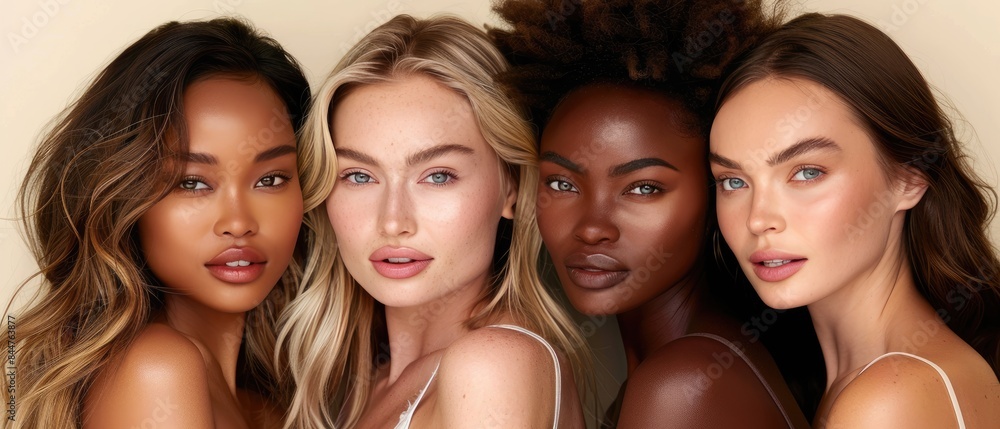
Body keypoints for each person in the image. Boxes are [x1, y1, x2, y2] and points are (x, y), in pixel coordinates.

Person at [490, 0, 819, 427]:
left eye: (643, 188)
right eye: (562, 184)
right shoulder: (688, 365)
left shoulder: (682, 385)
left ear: (715, 193)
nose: (592, 228)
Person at [276, 14, 590, 429]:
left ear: (511, 188)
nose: (393, 221)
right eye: (359, 176)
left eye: (438, 176)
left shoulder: (492, 366)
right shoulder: (359, 387)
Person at [4, 18, 311, 428]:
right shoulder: (161, 371)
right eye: (192, 183)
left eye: (270, 179)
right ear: (128, 200)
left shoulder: (268, 397)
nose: (238, 223)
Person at [710, 12, 1000, 429]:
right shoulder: (868, 381)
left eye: (807, 172)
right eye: (733, 181)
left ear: (909, 176)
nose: (759, 220)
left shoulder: (890, 398)